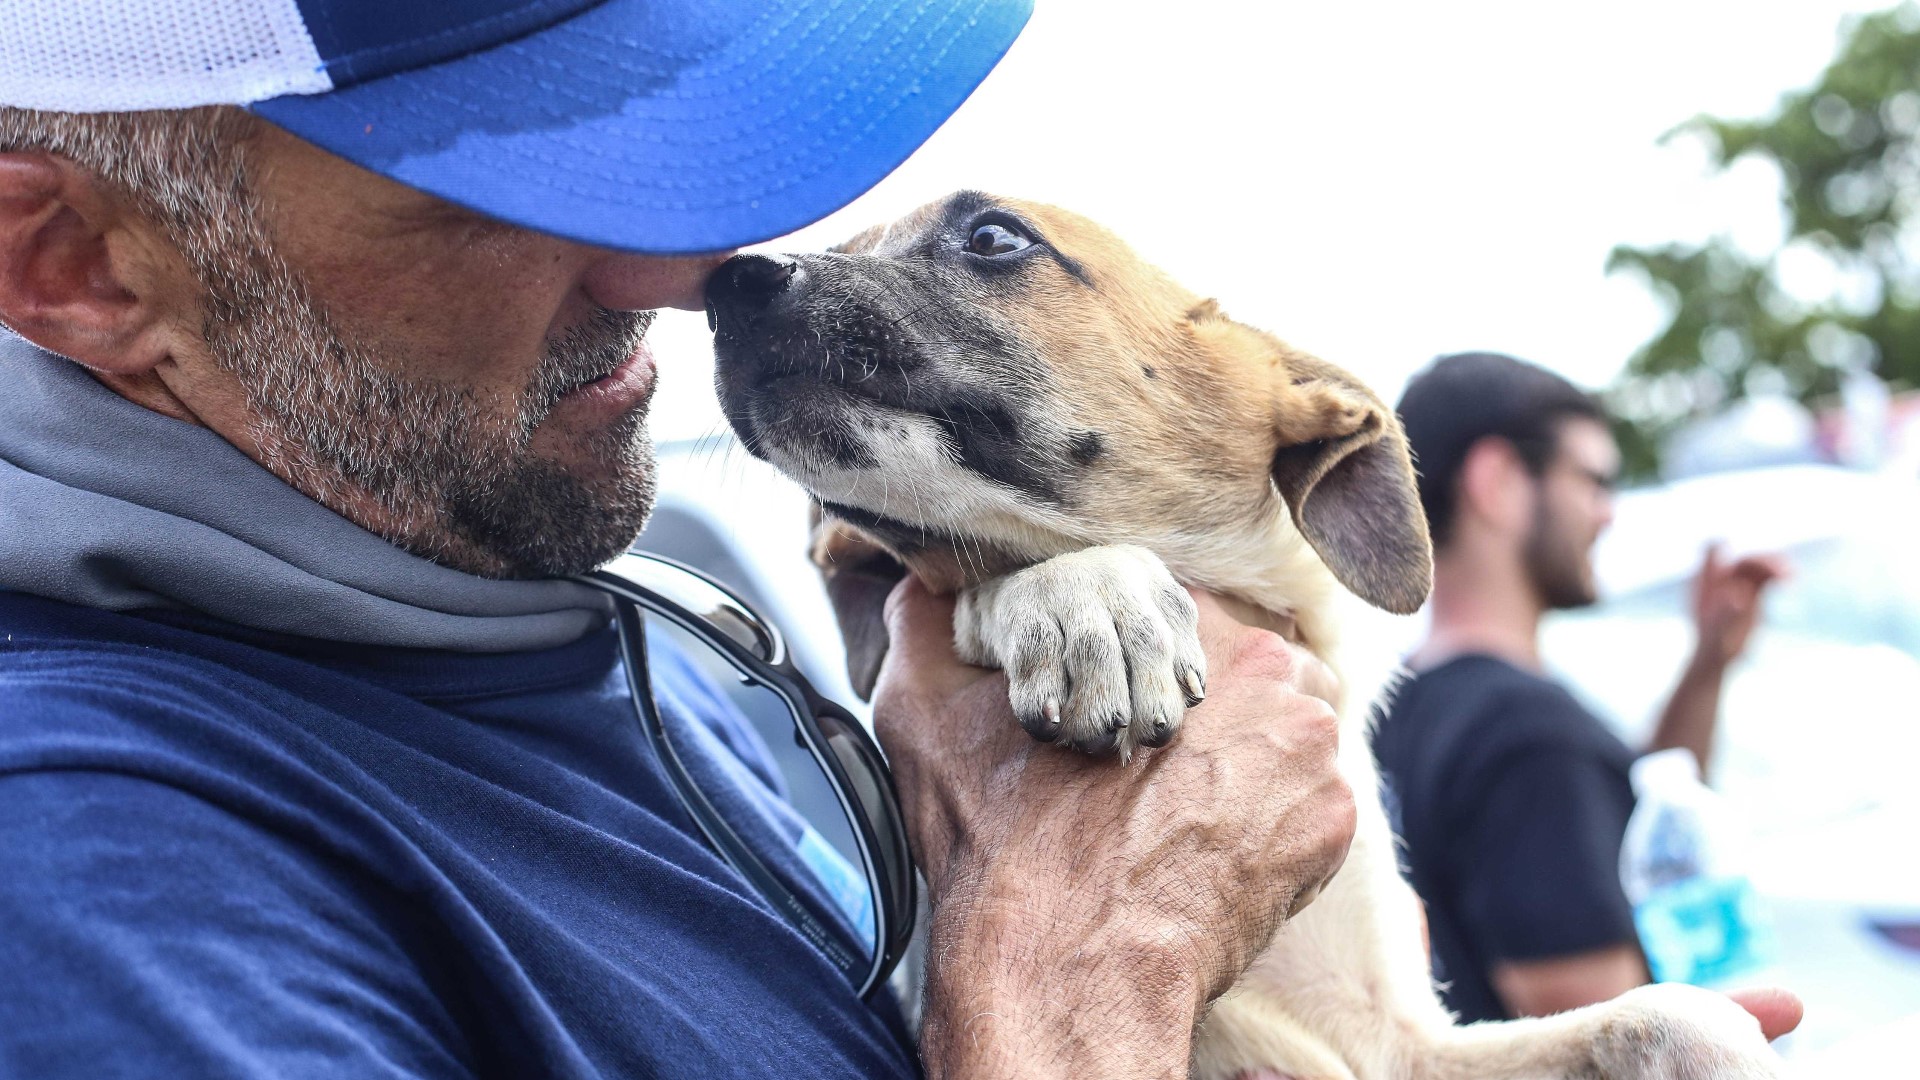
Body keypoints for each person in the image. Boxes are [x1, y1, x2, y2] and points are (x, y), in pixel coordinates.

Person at [0, 3, 1367, 1077]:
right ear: (75, 265)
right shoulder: (82, 861)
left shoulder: (587, 621)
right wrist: (1075, 977)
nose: (685, 276)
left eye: (632, 134)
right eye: (494, 177)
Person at [1374, 351, 1789, 1025]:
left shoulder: (1395, 707)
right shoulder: (1528, 738)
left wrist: (1709, 660)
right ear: (1499, 482)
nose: (1607, 514)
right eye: (1591, 481)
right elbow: (1611, 1044)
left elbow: (1648, 811)